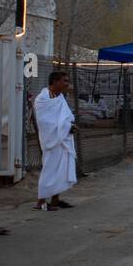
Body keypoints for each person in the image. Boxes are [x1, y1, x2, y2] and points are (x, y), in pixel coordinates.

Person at [34, 70, 77, 210]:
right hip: (51, 139)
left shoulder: (60, 97)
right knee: (50, 169)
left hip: (62, 139)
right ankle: (40, 202)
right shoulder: (43, 99)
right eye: (64, 80)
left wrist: (69, 125)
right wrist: (67, 127)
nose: (67, 84)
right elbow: (45, 122)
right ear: (55, 82)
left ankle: (55, 199)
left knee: (61, 169)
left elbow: (66, 116)